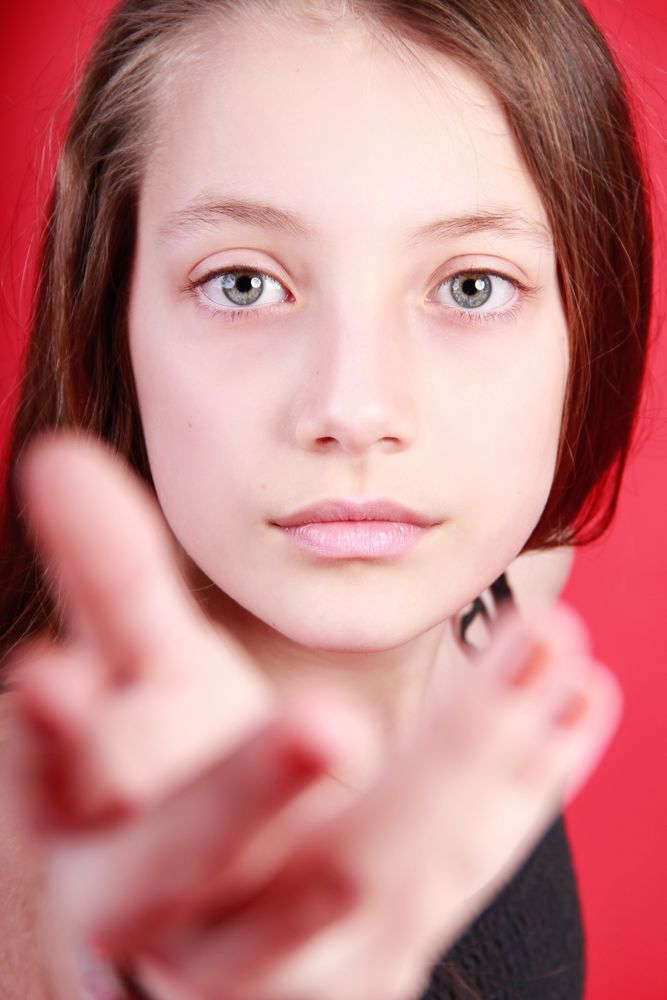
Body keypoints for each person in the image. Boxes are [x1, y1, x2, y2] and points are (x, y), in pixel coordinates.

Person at [0, 0, 653, 997]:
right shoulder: (37, 822)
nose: (354, 411)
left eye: (471, 286)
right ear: (111, 319)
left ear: (584, 317)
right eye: (244, 284)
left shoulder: (505, 587)